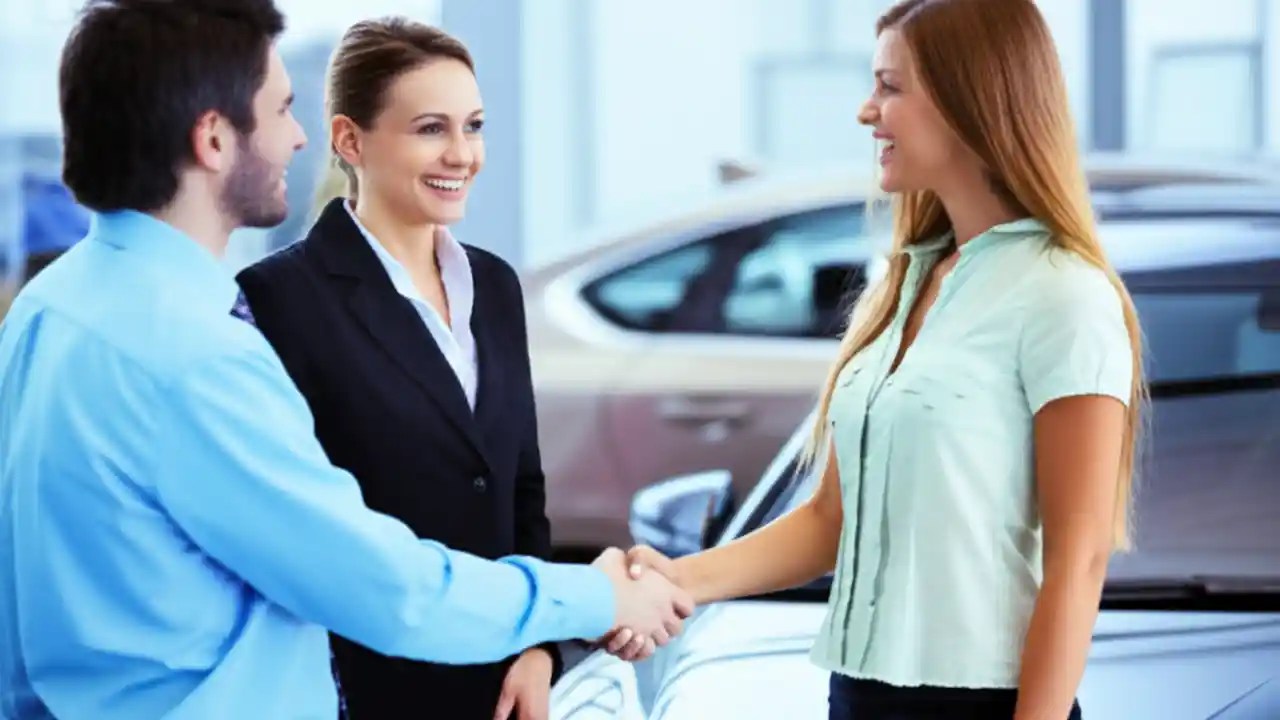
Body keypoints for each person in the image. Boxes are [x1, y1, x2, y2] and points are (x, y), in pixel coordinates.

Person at [0, 2, 691, 719]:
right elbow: (386, 588)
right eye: (281, 110)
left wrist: (541, 638)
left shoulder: (48, 308)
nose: (298, 139)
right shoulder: (197, 355)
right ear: (213, 138)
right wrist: (597, 595)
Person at [614, 1, 1146, 718]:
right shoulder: (903, 283)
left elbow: (1079, 561)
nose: (869, 113)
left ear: (970, 99)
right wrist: (675, 578)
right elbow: (830, 520)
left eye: (891, 87)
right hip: (860, 694)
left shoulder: (1064, 296)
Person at [234, 18, 566, 720]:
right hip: (366, 694)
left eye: (473, 126)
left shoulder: (496, 288)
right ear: (350, 140)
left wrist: (541, 647)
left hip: (504, 692)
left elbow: (521, 492)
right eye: (431, 129)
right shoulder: (281, 300)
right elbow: (299, 534)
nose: (463, 154)